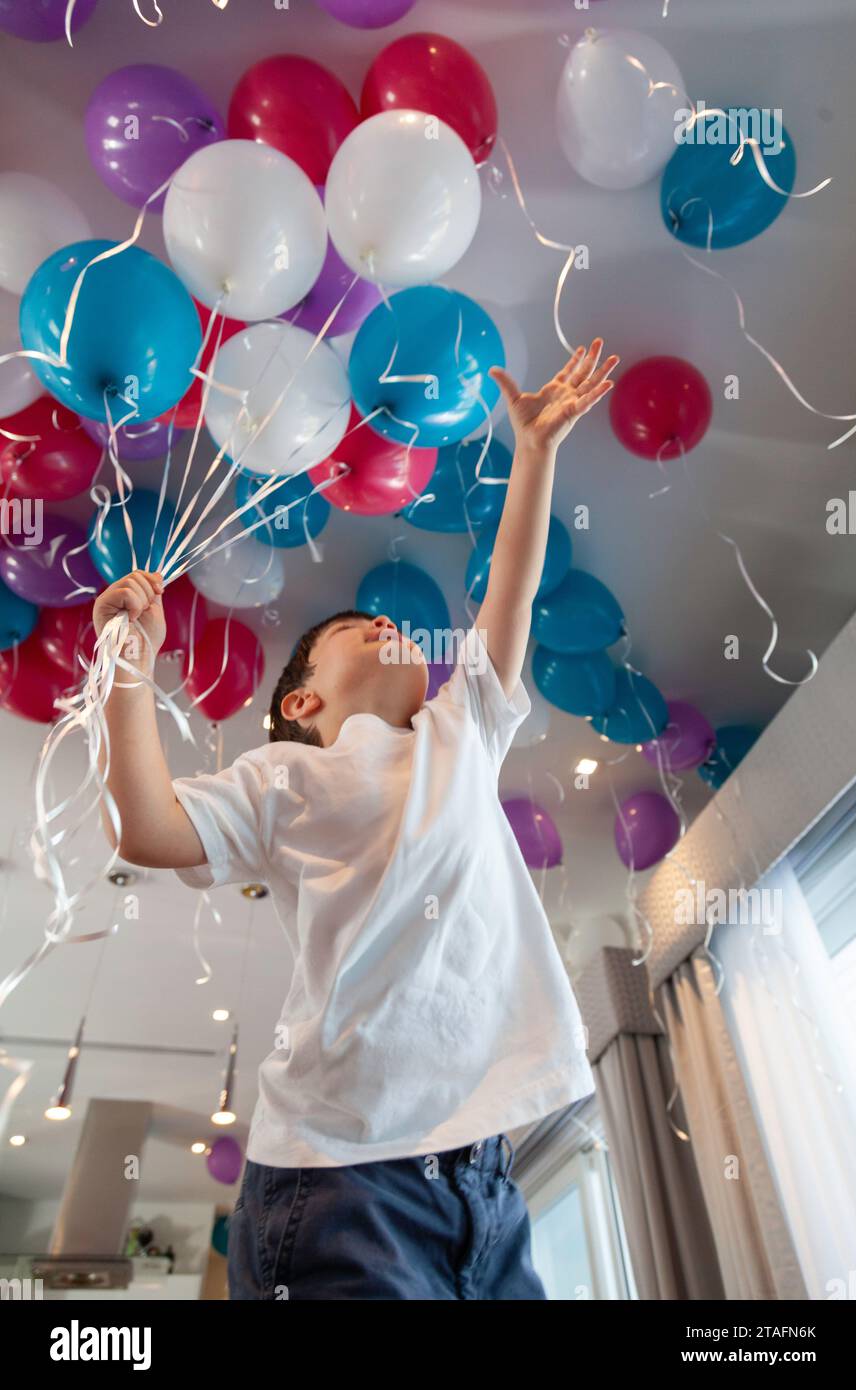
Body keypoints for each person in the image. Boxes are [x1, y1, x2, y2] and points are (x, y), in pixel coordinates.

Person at [94, 338, 618, 1300]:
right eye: (349, 631)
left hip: (481, 1182)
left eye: (385, 624)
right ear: (300, 704)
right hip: (338, 1177)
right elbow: (148, 828)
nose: (384, 622)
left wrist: (535, 454)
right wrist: (128, 660)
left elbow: (511, 588)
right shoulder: (286, 774)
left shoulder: (464, 728)